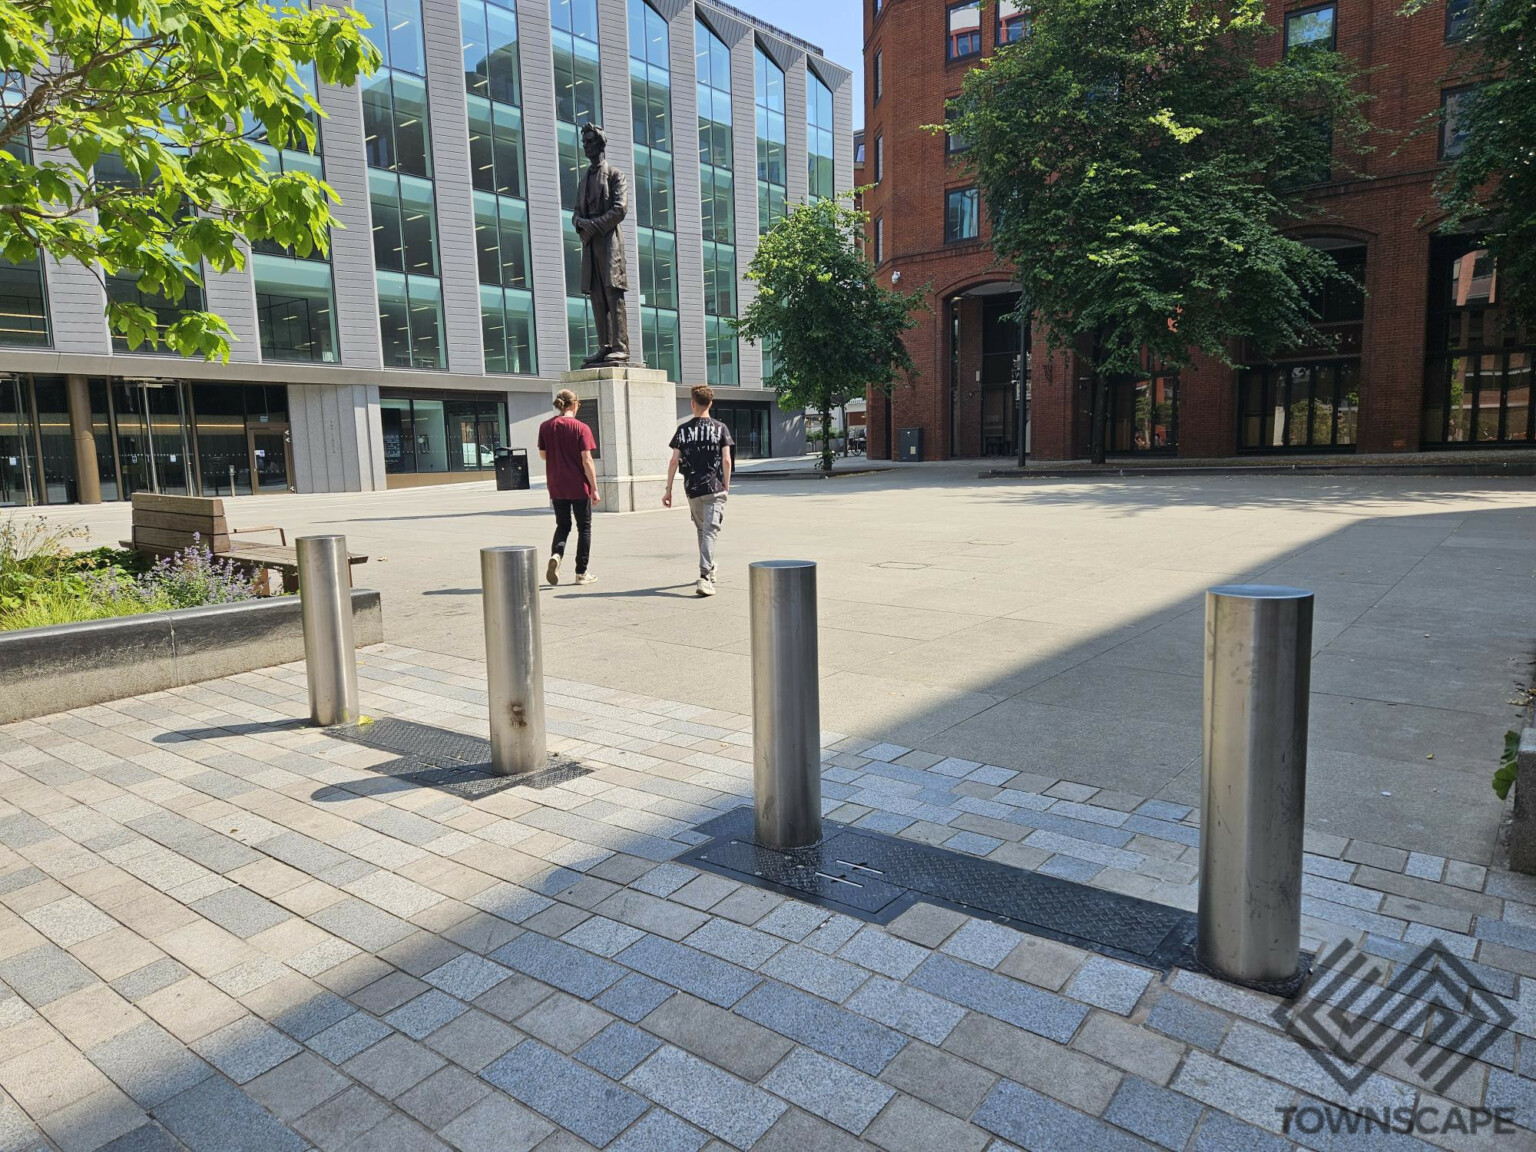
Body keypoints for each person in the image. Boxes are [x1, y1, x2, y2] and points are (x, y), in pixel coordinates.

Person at [664, 384, 734, 597]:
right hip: (714, 487)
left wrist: (668, 490)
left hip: (692, 488)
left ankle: (710, 568)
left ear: (692, 403)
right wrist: (727, 486)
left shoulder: (683, 430)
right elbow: (727, 460)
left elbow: (674, 460)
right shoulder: (720, 428)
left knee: (702, 531)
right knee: (710, 531)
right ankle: (704, 577)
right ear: (710, 403)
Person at [537, 389, 599, 586]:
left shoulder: (545, 426)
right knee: (584, 528)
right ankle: (581, 572)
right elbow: (587, 460)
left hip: (556, 485)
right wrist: (594, 487)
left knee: (562, 525)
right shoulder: (581, 428)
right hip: (578, 485)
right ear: (575, 404)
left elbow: (543, 455)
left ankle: (557, 554)